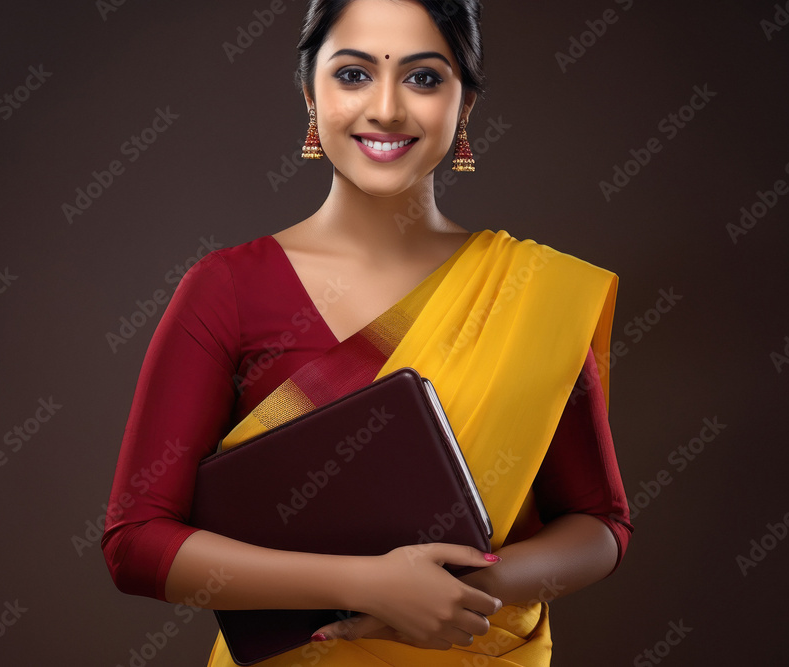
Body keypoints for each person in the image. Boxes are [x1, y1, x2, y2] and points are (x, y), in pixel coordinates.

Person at [101, 0, 633, 664]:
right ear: (309, 93)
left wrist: (470, 587)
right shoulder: (227, 289)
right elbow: (137, 540)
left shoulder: (530, 291)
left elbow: (599, 523)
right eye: (353, 75)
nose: (386, 108)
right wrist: (366, 585)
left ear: (464, 105)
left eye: (424, 78)